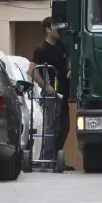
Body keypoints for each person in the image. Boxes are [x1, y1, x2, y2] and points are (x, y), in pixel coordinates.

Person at [31, 23, 72, 171]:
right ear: (48, 30)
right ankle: (47, 159)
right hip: (50, 95)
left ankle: (56, 158)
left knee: (65, 127)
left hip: (63, 93)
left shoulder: (62, 46)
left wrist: (70, 69)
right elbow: (33, 71)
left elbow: (68, 62)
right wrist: (46, 86)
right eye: (56, 28)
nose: (59, 31)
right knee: (53, 126)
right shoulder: (42, 49)